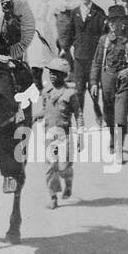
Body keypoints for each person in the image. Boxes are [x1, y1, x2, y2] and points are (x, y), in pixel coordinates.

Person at [90, 5, 128, 159]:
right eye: (110, 21)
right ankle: (112, 138)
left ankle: (119, 148)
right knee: (109, 117)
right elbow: (97, 63)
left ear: (122, 23)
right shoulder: (103, 40)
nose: (112, 24)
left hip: (123, 83)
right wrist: (93, 83)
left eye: (115, 21)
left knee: (120, 118)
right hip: (107, 82)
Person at [56, 0, 106, 122]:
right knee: (79, 90)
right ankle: (80, 116)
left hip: (93, 58)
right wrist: (64, 49)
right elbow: (70, 32)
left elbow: (103, 34)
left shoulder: (99, 12)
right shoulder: (75, 12)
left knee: (93, 88)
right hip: (78, 57)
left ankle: (98, 112)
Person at [37, 56, 80, 208]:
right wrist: (34, 116)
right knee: (50, 166)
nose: (53, 75)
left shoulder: (70, 94)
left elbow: (78, 115)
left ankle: (68, 183)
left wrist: (80, 135)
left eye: (56, 73)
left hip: (65, 135)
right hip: (50, 135)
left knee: (64, 167)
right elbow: (44, 110)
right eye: (51, 72)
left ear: (64, 75)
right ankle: (53, 197)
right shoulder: (46, 92)